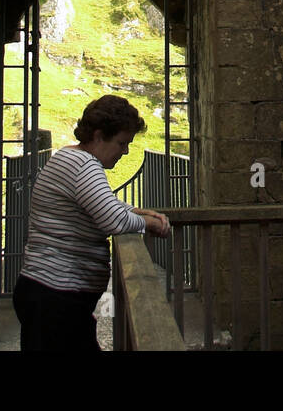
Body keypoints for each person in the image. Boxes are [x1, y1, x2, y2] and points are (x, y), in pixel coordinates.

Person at [13, 94, 171, 351]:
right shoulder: (84, 166)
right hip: (56, 296)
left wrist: (138, 211)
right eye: (121, 143)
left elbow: (103, 203)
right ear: (99, 136)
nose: (125, 151)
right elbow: (113, 220)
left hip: (49, 293)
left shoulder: (70, 158)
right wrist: (149, 224)